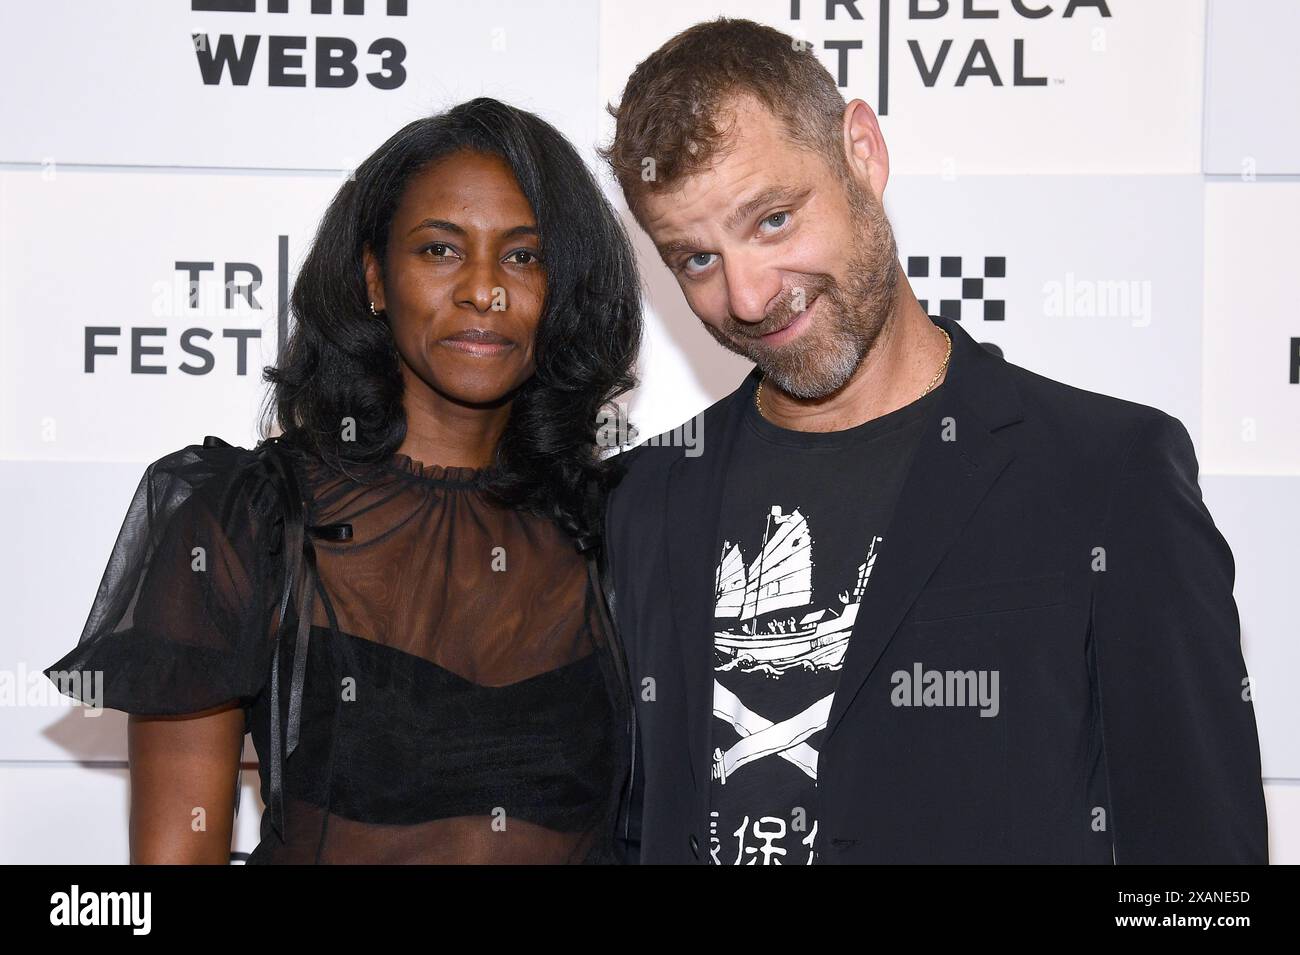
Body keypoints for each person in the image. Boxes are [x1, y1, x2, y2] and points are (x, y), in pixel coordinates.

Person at [598, 18, 1268, 864]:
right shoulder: (640, 498)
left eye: (772, 220)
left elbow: (1200, 872)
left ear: (863, 152)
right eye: (695, 259)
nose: (749, 293)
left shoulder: (1106, 474)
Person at [44, 96, 643, 864]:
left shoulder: (621, 525)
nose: (484, 290)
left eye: (524, 256)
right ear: (374, 277)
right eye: (440, 250)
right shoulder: (247, 520)